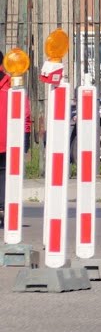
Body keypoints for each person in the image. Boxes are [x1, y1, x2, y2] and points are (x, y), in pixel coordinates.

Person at [0, 71, 32, 223]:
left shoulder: (13, 87)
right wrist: (25, 138)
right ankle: (3, 207)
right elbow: (25, 114)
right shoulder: (13, 87)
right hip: (9, 142)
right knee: (6, 175)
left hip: (8, 142)